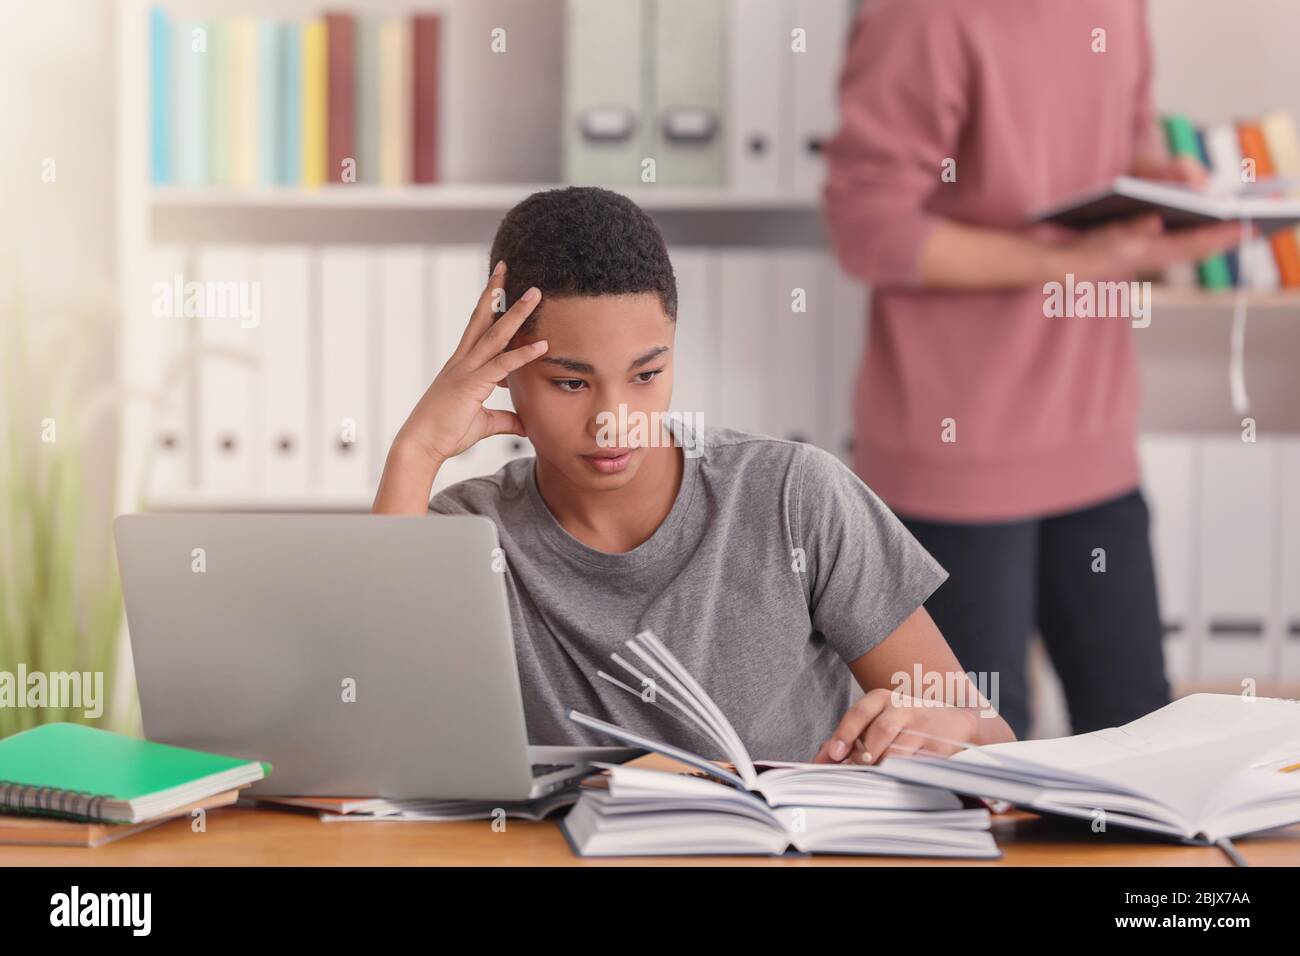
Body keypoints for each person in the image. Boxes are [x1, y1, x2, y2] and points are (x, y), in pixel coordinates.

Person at [373, 186, 1015, 763]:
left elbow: (988, 738)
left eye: (646, 376)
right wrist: (416, 452)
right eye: (572, 382)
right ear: (505, 369)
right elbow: (373, 740)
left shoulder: (795, 497)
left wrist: (937, 728)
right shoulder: (466, 536)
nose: (614, 420)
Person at [821, 0, 1244, 738]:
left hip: (1095, 440)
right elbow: (868, 226)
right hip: (956, 460)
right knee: (977, 769)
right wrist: (1067, 263)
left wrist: (1162, 185)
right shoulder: (922, 16)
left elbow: (1122, 146)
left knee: (1140, 743)